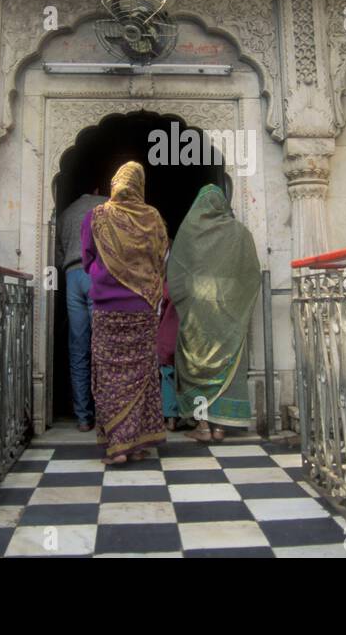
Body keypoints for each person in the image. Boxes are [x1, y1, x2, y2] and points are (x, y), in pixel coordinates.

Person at [81, 161, 168, 463]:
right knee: (142, 375)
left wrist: (105, 273)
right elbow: (160, 258)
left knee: (109, 376)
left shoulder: (97, 217)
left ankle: (119, 445)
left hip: (107, 307)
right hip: (142, 307)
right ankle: (138, 443)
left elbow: (87, 258)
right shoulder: (153, 218)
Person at [168, 183, 261, 442]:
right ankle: (221, 427)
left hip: (197, 313)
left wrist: (185, 303)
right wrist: (239, 303)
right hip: (230, 313)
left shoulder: (189, 233)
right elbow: (252, 274)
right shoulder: (240, 233)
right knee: (228, 364)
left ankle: (203, 427)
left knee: (195, 365)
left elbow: (176, 275)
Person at [56, 186, 106, 431]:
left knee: (79, 347)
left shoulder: (65, 213)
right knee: (104, 345)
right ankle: (106, 412)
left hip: (72, 276)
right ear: (99, 188)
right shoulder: (107, 205)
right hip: (97, 274)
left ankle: (84, 417)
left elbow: (57, 255)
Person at [158, 274, 183, 430]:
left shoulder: (166, 287)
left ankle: (170, 418)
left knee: (168, 377)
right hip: (186, 340)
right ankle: (191, 415)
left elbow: (159, 312)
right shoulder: (189, 285)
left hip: (167, 340)